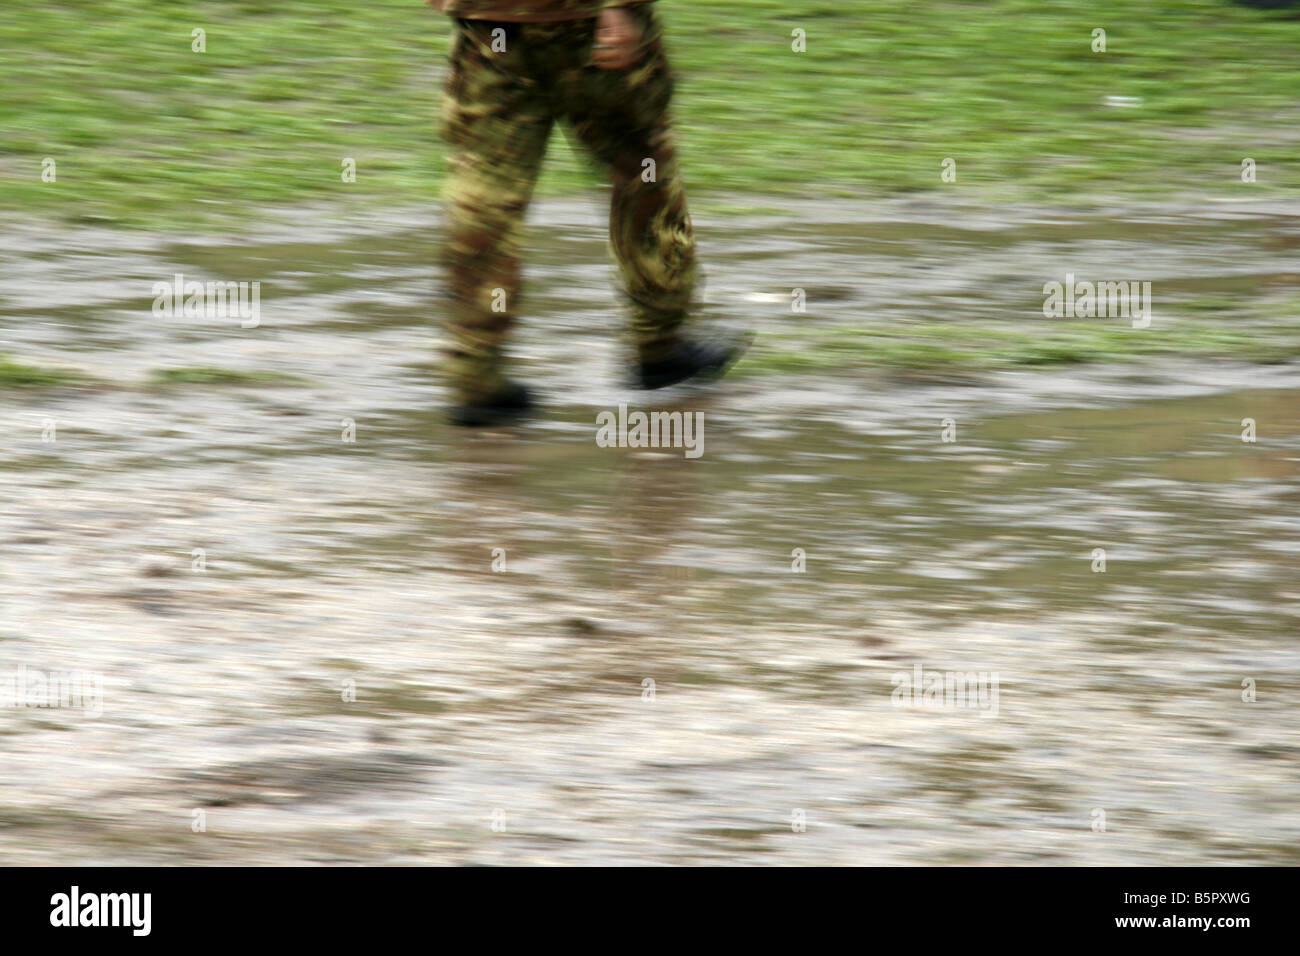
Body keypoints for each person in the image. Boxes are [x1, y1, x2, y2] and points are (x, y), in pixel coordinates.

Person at [431, 0, 743, 426]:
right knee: (641, 167)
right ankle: (659, 343)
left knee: (486, 190)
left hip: (490, 20)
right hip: (584, 18)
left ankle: (475, 373)